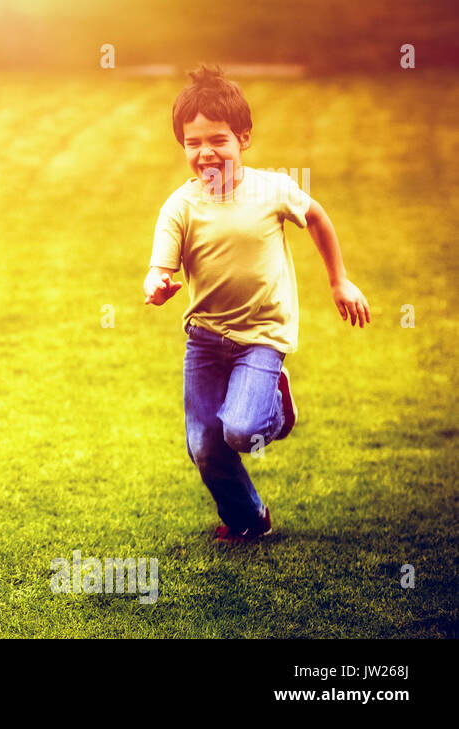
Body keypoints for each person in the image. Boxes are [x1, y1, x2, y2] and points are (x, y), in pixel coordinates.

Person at [144, 64, 371, 543]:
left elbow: (316, 218)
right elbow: (158, 267)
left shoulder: (272, 189)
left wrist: (340, 281)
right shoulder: (179, 207)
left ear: (243, 138)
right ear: (182, 145)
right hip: (204, 341)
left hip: (262, 337)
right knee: (204, 445)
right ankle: (250, 518)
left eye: (219, 140)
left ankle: (277, 407)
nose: (206, 152)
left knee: (243, 431)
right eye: (193, 142)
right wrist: (159, 285)